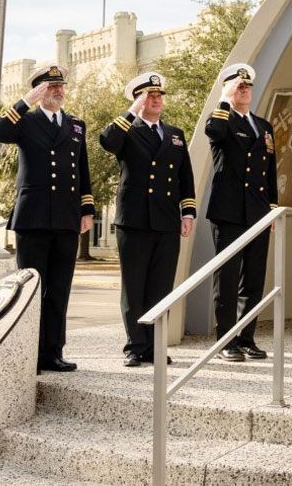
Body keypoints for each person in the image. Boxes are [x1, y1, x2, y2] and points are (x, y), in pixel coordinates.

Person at [0, 63, 95, 372]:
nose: (58, 90)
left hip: (66, 217)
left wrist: (87, 208)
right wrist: (26, 100)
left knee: (59, 291)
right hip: (33, 218)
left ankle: (53, 353)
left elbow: (83, 169)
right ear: (38, 90)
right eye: (51, 87)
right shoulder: (25, 121)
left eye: (60, 86)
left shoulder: (75, 125)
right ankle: (29, 355)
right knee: (32, 290)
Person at [100, 72, 196, 367]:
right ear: (138, 100)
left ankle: (154, 345)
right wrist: (131, 111)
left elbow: (185, 178)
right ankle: (135, 345)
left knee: (160, 287)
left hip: (166, 221)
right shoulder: (127, 129)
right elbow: (107, 141)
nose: (155, 99)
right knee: (134, 285)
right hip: (135, 220)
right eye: (147, 96)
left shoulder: (176, 134)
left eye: (158, 96)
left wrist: (188, 212)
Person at [202, 63, 278, 362]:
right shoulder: (221, 119)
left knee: (254, 279)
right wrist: (223, 98)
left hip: (258, 211)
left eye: (247, 87)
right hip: (229, 211)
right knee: (228, 279)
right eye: (238, 87)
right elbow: (213, 132)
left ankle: (246, 337)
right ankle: (225, 341)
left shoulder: (263, 125)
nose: (244, 90)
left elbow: (271, 171)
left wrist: (272, 209)